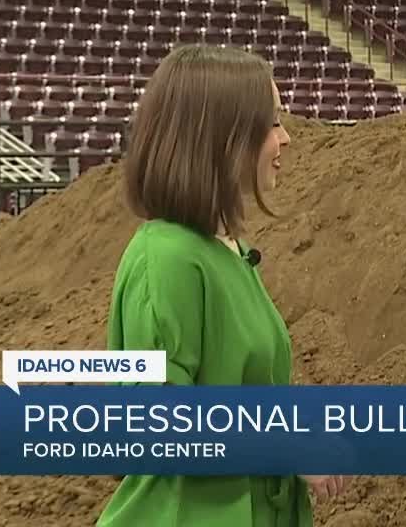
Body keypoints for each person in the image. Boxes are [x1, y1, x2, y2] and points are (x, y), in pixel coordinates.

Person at [97, 44, 348, 526]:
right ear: (225, 135)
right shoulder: (167, 260)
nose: (286, 138)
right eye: (272, 122)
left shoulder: (227, 251)